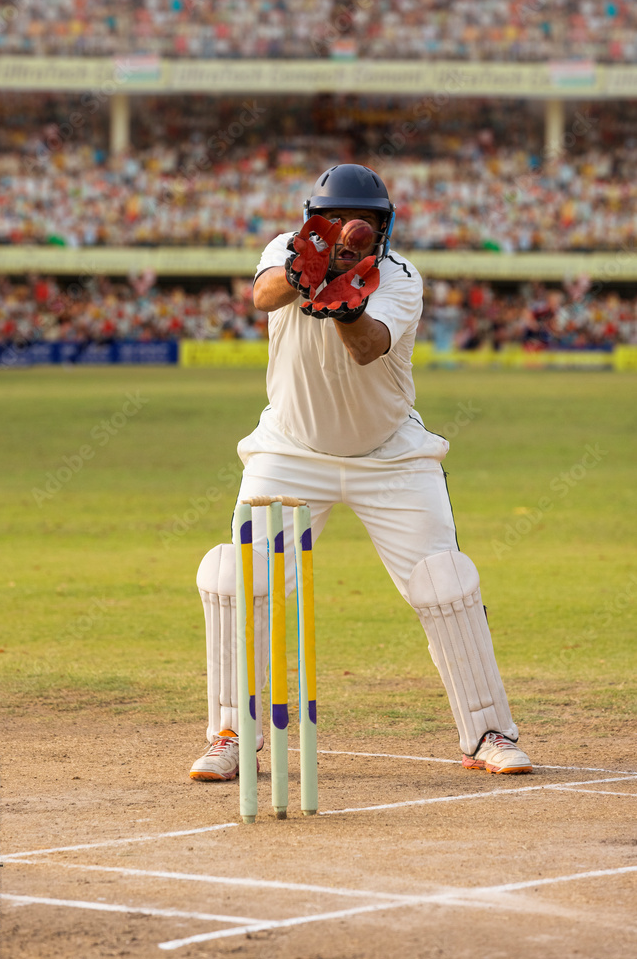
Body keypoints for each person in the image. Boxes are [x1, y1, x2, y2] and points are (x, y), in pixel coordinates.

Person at [190, 163, 532, 782]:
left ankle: (488, 732)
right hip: (290, 450)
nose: (351, 233)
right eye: (339, 220)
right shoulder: (289, 248)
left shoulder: (400, 278)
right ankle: (231, 733)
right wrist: (304, 275)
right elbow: (263, 296)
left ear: (382, 228)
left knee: (444, 583)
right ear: (314, 221)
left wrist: (344, 308)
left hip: (391, 455)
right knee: (242, 580)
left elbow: (369, 345)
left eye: (366, 223)